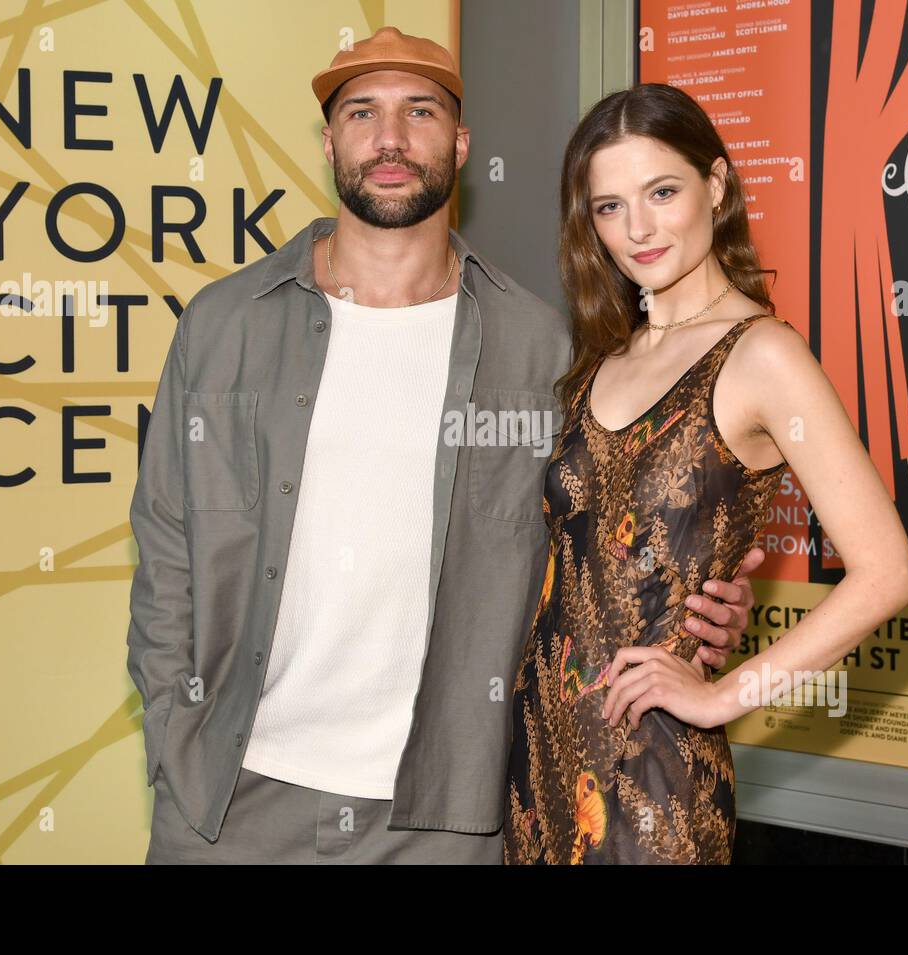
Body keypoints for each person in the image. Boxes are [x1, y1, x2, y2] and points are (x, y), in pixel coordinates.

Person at [127, 28, 762, 865]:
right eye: (363, 112)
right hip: (231, 801)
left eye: (420, 111)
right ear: (329, 142)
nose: (390, 138)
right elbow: (166, 543)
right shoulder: (224, 325)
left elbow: (602, 535)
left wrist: (697, 605)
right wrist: (178, 731)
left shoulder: (542, 348)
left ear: (460, 146)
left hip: (443, 818)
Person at [503, 83, 908, 865]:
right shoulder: (607, 353)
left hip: (654, 782)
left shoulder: (762, 355)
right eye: (609, 206)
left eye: (662, 192)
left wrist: (722, 694)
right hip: (542, 766)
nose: (638, 229)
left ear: (717, 186)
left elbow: (888, 572)